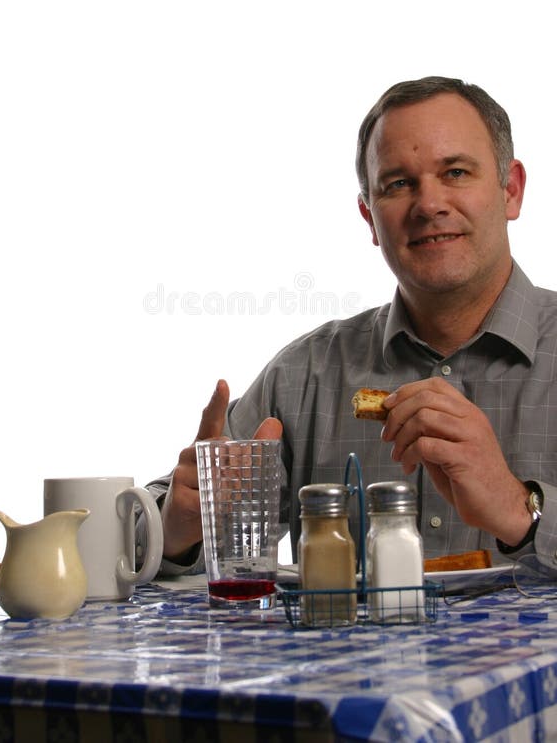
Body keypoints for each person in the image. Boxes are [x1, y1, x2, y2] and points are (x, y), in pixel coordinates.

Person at [138, 75, 557, 577]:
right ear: (369, 216)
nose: (429, 205)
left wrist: (520, 507)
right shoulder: (305, 375)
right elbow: (168, 532)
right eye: (399, 184)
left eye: (457, 172)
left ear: (511, 191)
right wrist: (180, 523)